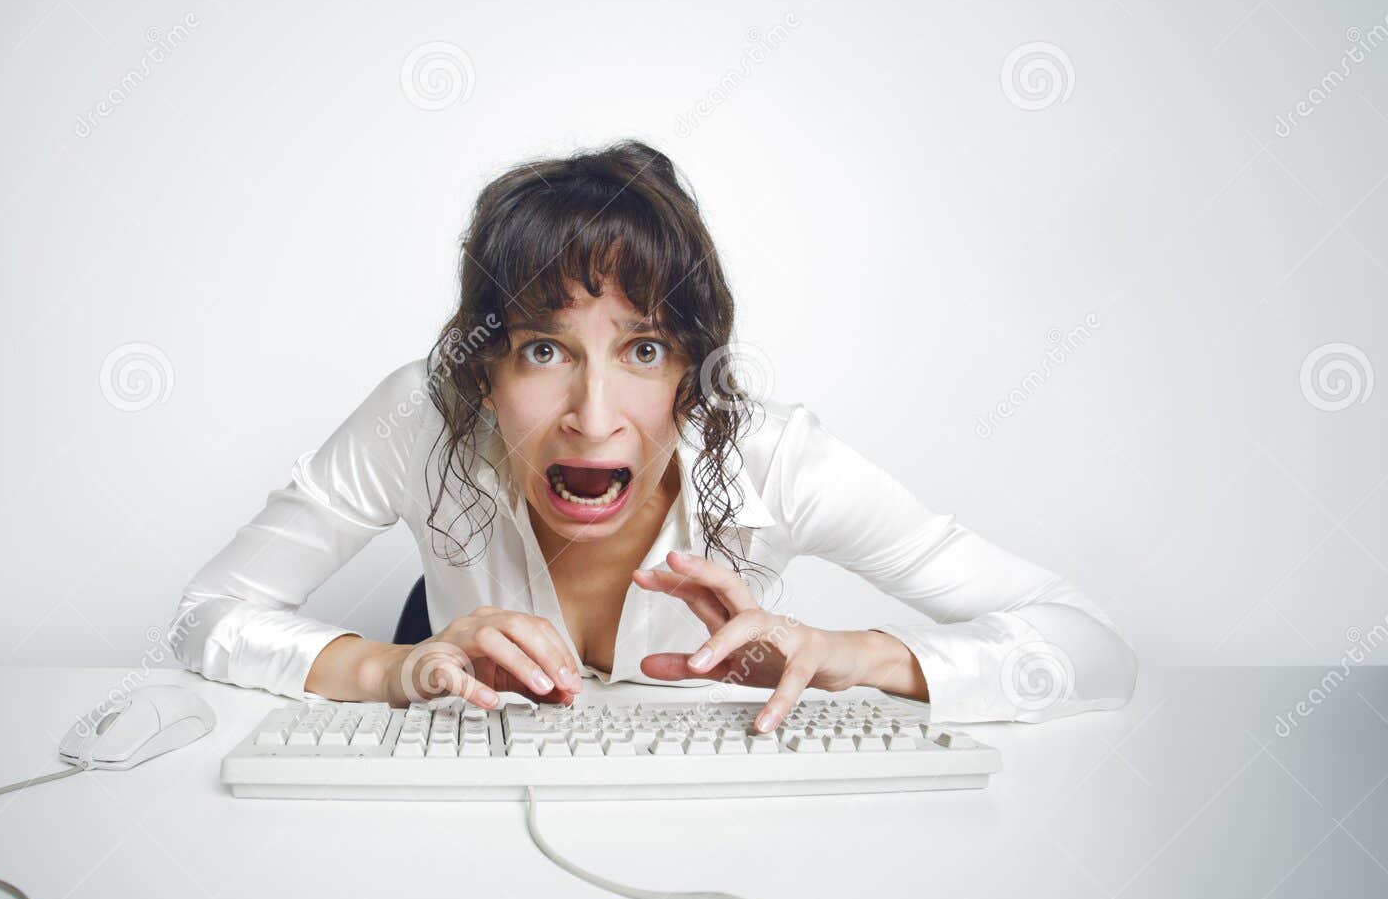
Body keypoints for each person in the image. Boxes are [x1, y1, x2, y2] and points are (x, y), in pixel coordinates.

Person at [169, 140, 1136, 730]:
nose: (594, 417)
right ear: (483, 368)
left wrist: (857, 657)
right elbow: (201, 614)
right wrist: (385, 668)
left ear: (693, 370)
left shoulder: (772, 457)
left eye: (642, 348)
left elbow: (1092, 646)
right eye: (544, 350)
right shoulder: (420, 417)